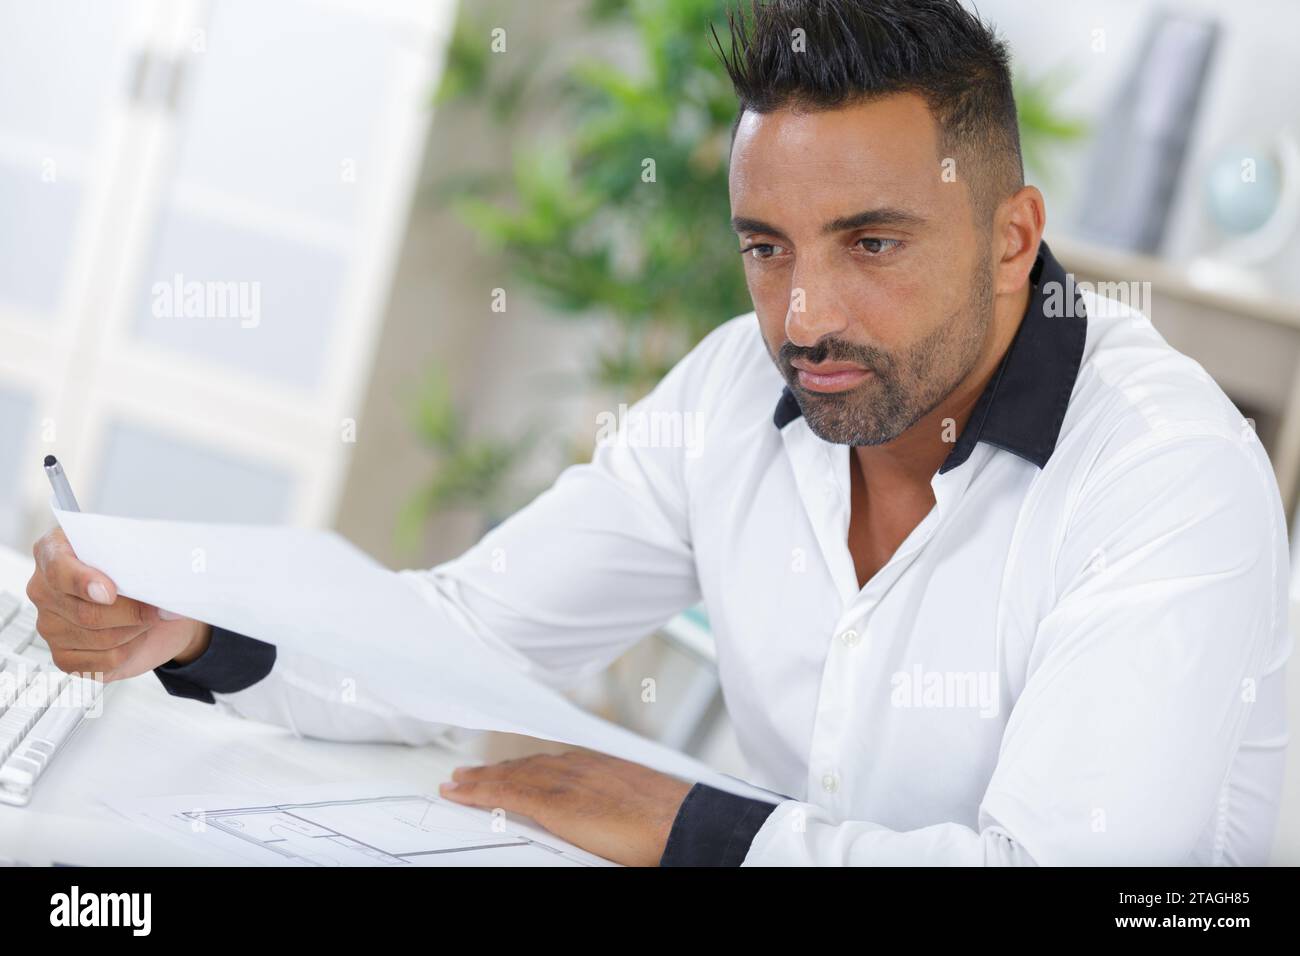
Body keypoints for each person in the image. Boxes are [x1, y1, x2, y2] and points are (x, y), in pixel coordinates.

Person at [26, 0, 1290, 866]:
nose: (805, 315)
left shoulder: (1166, 473)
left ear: (1011, 238)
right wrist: (196, 631)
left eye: (873, 243)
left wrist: (693, 826)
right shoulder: (734, 394)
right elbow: (459, 641)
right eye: (765, 248)